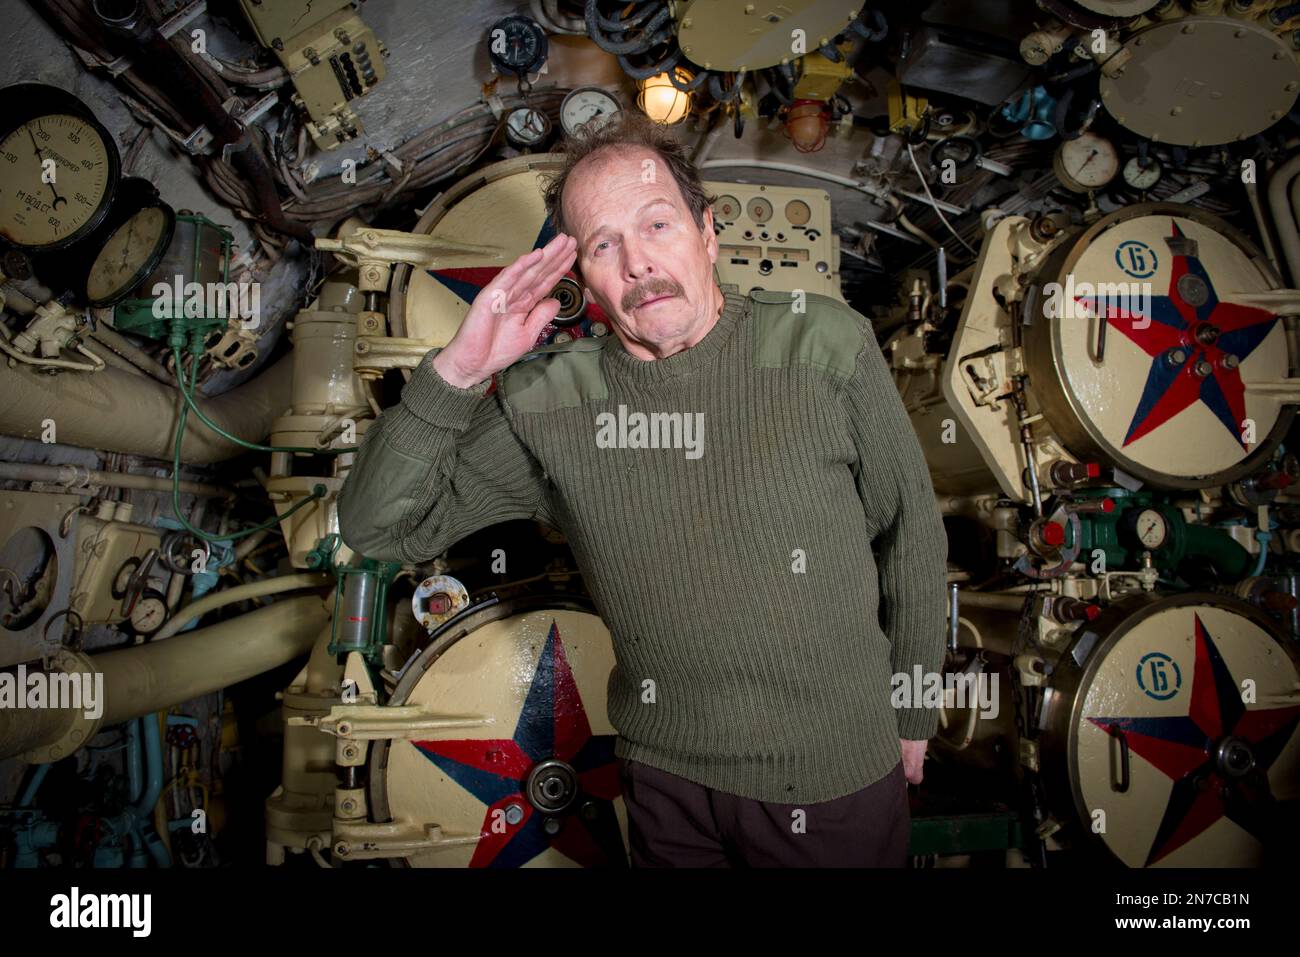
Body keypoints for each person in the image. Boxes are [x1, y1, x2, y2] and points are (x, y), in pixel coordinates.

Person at [337, 109, 949, 867]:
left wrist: (916, 702)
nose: (637, 262)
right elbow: (378, 530)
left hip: (830, 781)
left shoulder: (824, 343)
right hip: (665, 786)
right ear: (583, 276)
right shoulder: (549, 400)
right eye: (604, 244)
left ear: (708, 232)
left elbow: (910, 526)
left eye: (657, 225)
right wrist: (457, 375)